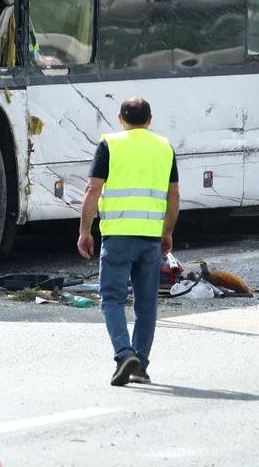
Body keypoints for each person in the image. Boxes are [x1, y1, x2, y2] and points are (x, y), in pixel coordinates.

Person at [77, 96, 180, 387]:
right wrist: (167, 232)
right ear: (149, 120)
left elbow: (92, 189)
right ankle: (140, 364)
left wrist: (85, 230)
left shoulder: (109, 144)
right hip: (150, 238)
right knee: (147, 304)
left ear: (120, 119)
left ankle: (124, 355)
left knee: (111, 298)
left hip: (118, 237)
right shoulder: (164, 147)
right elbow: (174, 196)